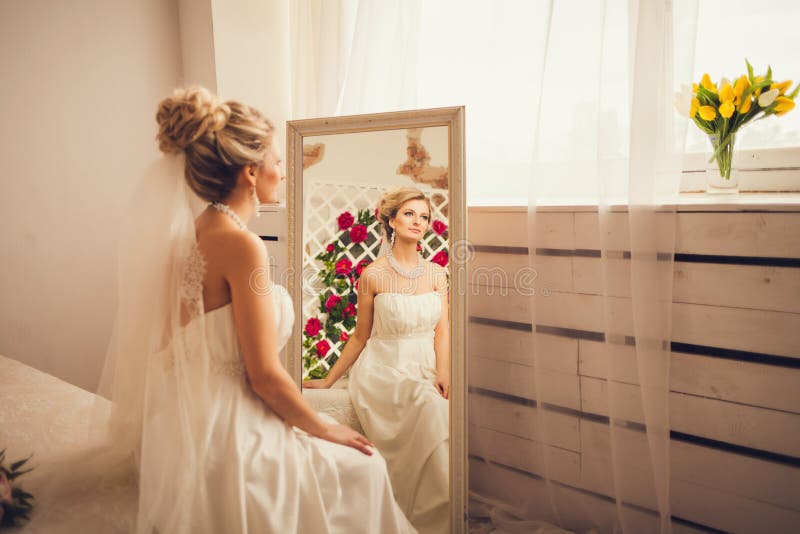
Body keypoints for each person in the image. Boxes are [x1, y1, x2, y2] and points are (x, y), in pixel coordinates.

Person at [26, 87, 417, 534]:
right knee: (362, 468)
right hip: (227, 423)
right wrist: (323, 429)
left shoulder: (193, 233)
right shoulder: (241, 244)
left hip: (182, 411)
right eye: (276, 160)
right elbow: (263, 376)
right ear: (251, 172)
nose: (284, 172)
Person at [304, 187, 451, 534]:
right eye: (409, 214)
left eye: (424, 216)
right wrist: (327, 379)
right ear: (391, 219)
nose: (418, 222)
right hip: (384, 367)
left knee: (440, 405)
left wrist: (442, 372)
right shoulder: (372, 274)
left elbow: (442, 333)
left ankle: (444, 517)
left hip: (425, 363)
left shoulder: (436, 274)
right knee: (429, 406)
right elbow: (360, 336)